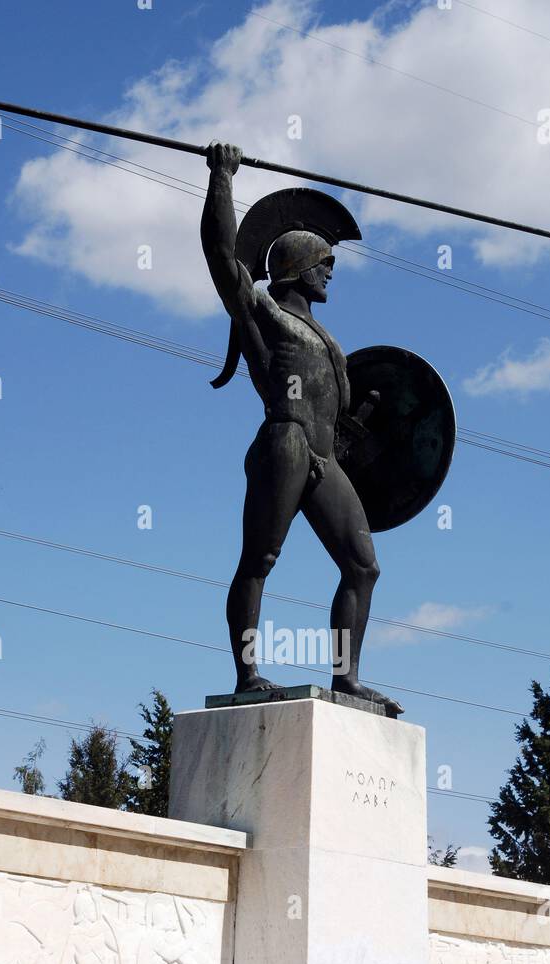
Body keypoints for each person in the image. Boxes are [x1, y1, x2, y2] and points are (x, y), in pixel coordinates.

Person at [201, 140, 401, 714]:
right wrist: (222, 175)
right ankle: (247, 675)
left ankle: (347, 679)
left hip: (323, 457)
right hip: (283, 443)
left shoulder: (326, 339)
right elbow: (220, 254)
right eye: (325, 265)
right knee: (260, 560)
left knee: (364, 566)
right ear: (298, 268)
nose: (331, 276)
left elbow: (342, 423)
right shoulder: (263, 311)